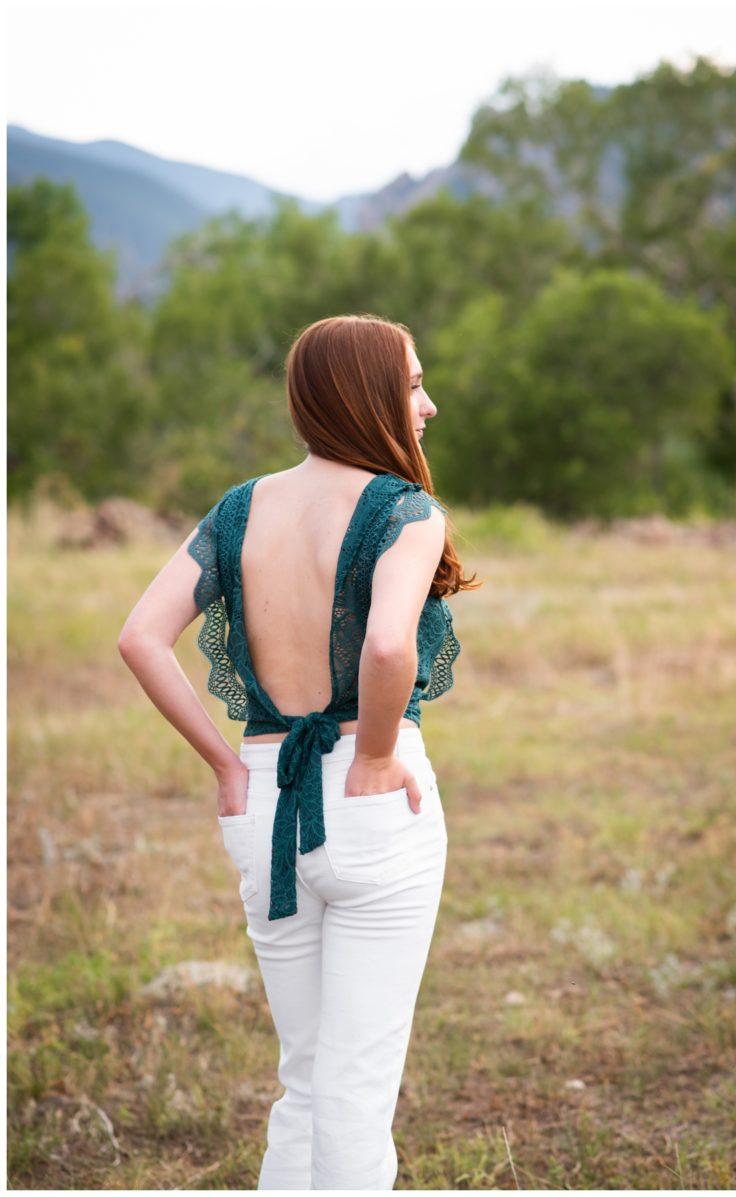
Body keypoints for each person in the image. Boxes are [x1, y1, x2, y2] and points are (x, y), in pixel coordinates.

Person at [118, 313, 476, 1190]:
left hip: (266, 799)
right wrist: (380, 756)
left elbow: (140, 637)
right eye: (413, 384)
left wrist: (223, 764)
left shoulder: (241, 510)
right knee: (355, 1093)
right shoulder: (405, 509)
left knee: (306, 1082)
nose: (427, 405)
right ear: (366, 396)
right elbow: (388, 648)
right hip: (365, 801)